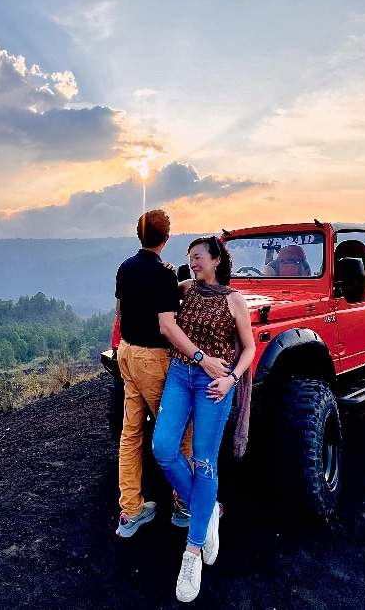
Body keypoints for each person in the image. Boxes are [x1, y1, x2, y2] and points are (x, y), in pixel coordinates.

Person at [151, 236, 256, 603]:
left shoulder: (234, 300)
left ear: (215, 260)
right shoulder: (185, 288)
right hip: (181, 375)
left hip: (215, 383)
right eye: (189, 257)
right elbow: (163, 305)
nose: (192, 263)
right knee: (163, 448)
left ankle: (192, 552)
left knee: (205, 461)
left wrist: (231, 379)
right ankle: (206, 508)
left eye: (197, 257)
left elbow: (249, 348)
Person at [113, 209, 194, 537]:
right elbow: (167, 325)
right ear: (167, 238)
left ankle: (131, 509)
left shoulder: (125, 267)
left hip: (126, 353)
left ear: (139, 235)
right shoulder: (163, 275)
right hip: (152, 359)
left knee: (131, 432)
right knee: (179, 429)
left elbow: (120, 310)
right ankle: (185, 504)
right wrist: (198, 355)